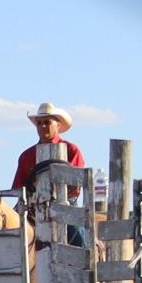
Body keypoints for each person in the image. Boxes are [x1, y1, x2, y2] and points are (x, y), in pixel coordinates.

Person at [12, 101, 88, 248]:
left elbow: (75, 184)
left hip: (65, 202)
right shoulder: (26, 156)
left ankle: (87, 256)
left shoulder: (71, 150)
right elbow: (18, 188)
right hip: (33, 207)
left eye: (47, 122)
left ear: (58, 125)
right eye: (39, 123)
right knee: (12, 232)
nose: (42, 126)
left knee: (76, 235)